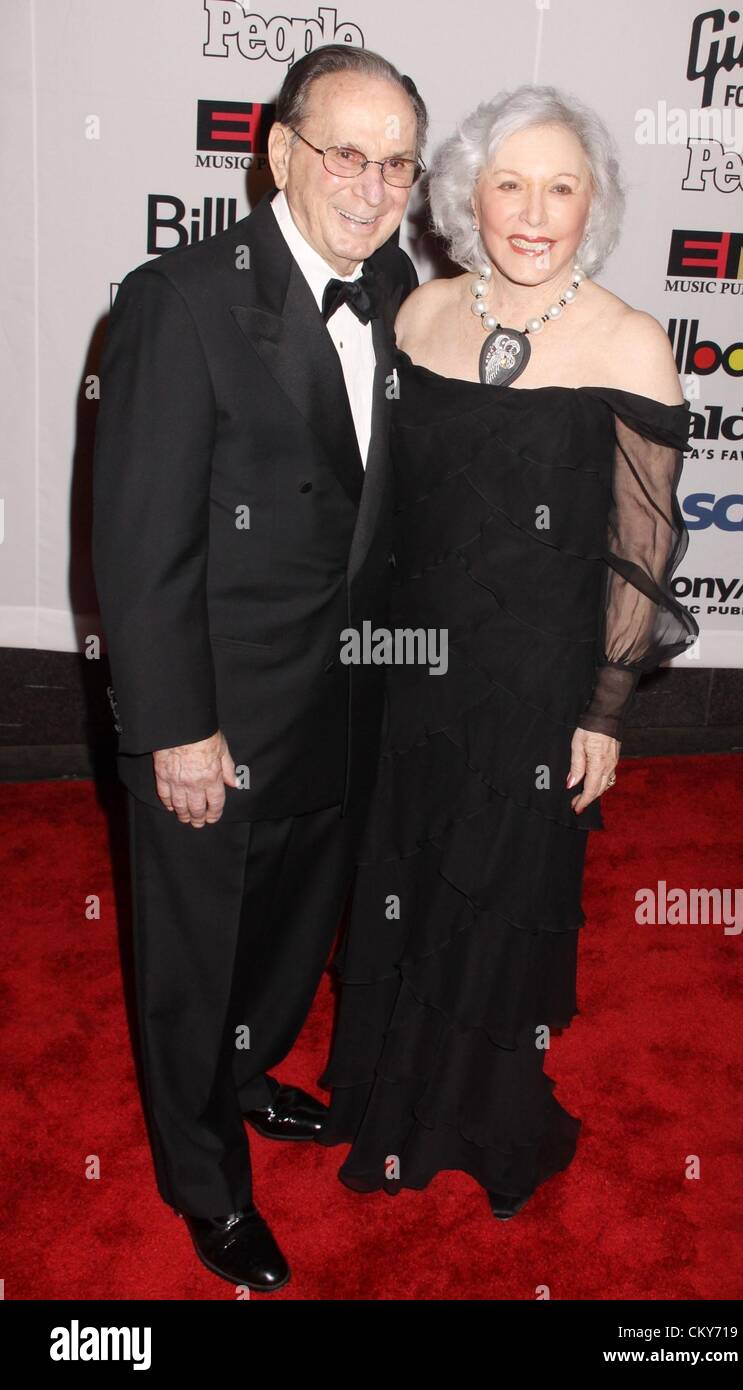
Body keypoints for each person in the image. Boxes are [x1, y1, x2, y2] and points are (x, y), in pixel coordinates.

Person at [315, 84, 700, 1219]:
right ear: (461, 195)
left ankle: (471, 1110)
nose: (533, 214)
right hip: (408, 664)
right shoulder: (420, 313)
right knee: (400, 877)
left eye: (561, 188)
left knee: (497, 888)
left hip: (532, 684)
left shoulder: (629, 344)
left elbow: (639, 556)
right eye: (508, 185)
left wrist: (603, 713)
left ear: (593, 206)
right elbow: (383, 509)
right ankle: (383, 1086)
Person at [91, 45, 426, 1291]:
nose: (371, 184)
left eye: (395, 164)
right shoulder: (179, 299)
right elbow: (136, 540)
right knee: (194, 952)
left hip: (345, 702)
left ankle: (247, 1070)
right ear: (280, 152)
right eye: (347, 153)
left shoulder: (403, 292)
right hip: (218, 717)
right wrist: (176, 726)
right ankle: (202, 1177)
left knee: (289, 936)